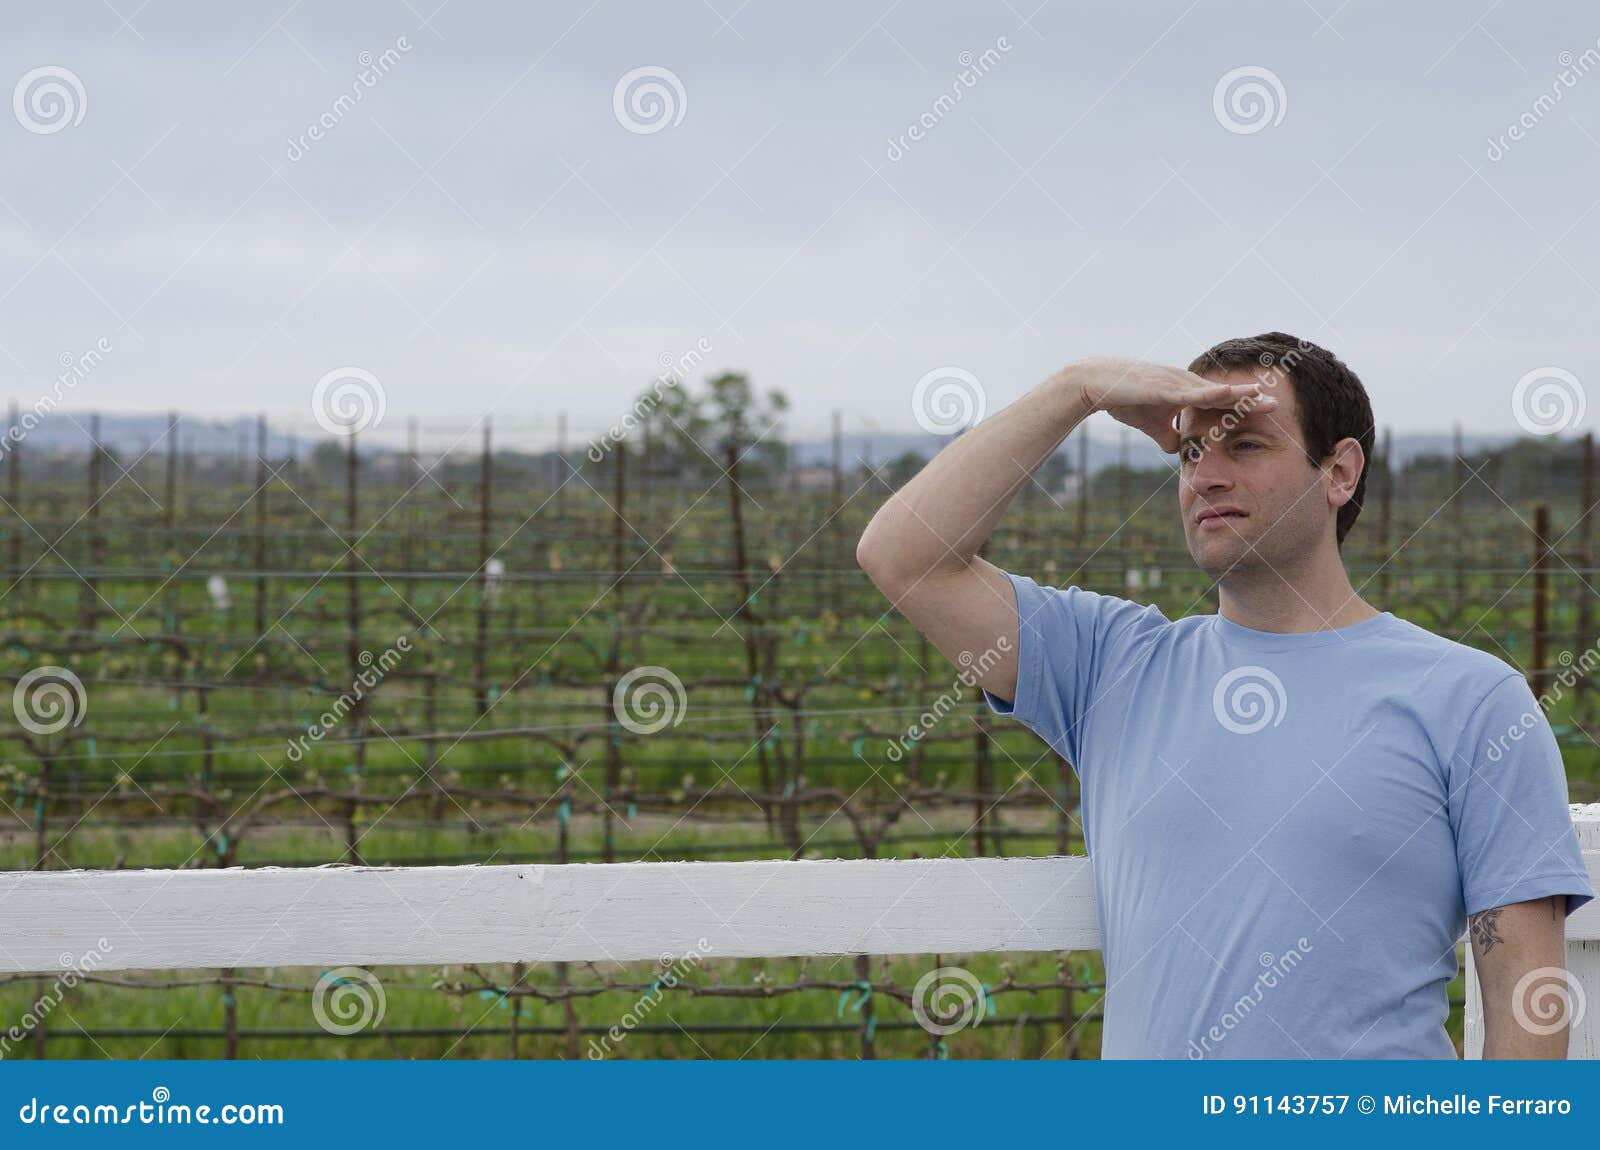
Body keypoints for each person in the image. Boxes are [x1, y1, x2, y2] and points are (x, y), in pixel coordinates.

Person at [855, 333, 1594, 1058]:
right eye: (1190, 452)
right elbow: (903, 557)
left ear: (1339, 472)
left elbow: (1524, 1006)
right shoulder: (1110, 666)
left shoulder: (1473, 702)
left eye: (1245, 445)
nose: (1204, 476)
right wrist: (1076, 389)